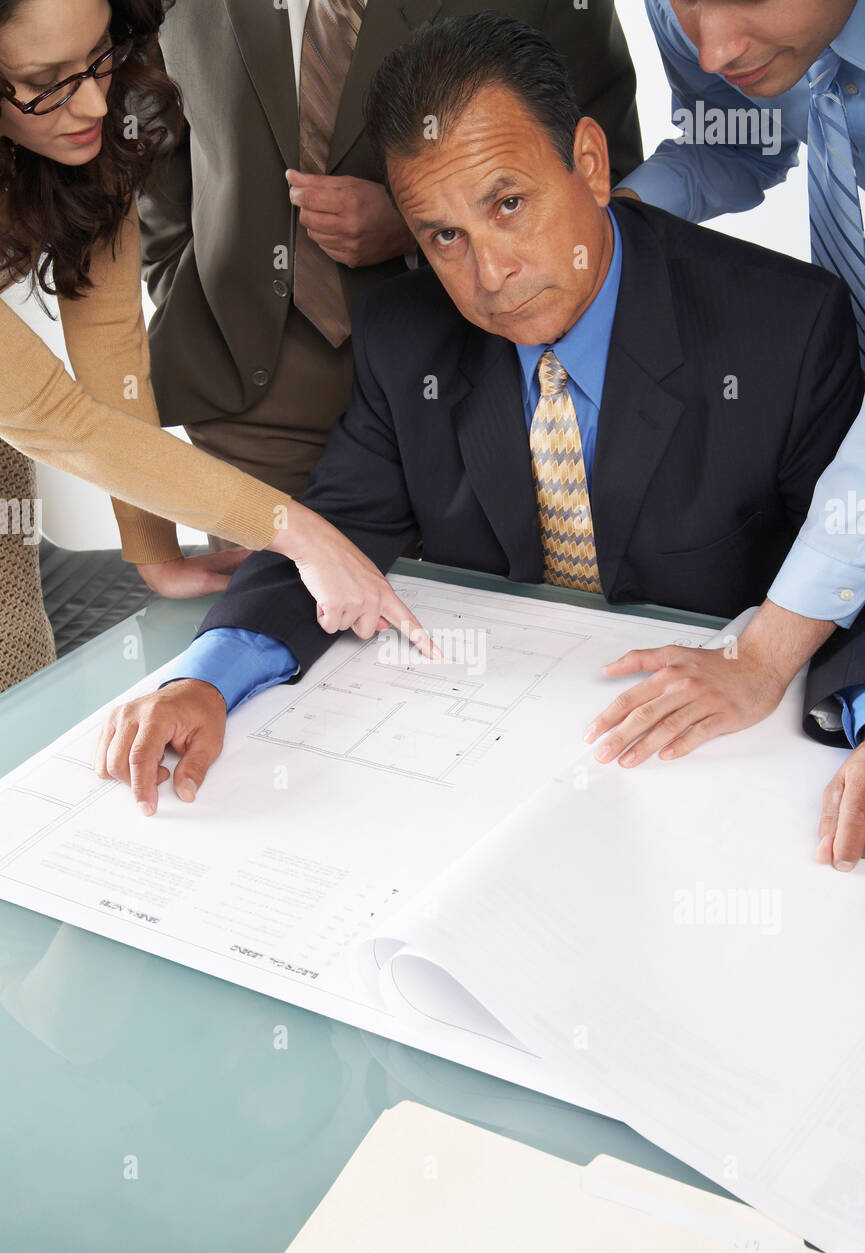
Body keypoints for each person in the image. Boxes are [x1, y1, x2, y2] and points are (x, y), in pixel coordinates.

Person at [95, 10, 865, 874]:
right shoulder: (407, 335)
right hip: (504, 779)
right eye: (443, 236)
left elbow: (854, 562)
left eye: (509, 205)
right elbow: (336, 524)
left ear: (586, 161)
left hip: (719, 787)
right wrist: (206, 675)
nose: (489, 274)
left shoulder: (785, 329)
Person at [0, 0, 434, 694]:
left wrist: (154, 551)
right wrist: (301, 532)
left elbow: (113, 352)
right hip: (23, 405)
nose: (89, 102)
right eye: (47, 79)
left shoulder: (98, 127)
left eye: (98, 58)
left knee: (10, 654)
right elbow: (53, 416)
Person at [138, 0, 644, 547]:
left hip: (480, 378)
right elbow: (154, 170)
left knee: (481, 621)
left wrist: (420, 230)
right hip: (255, 399)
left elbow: (609, 186)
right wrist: (182, 293)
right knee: (278, 616)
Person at [605, 0, 865, 867]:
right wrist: (611, 229)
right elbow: (734, 139)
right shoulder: (717, 28)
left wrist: (760, 658)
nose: (711, 48)